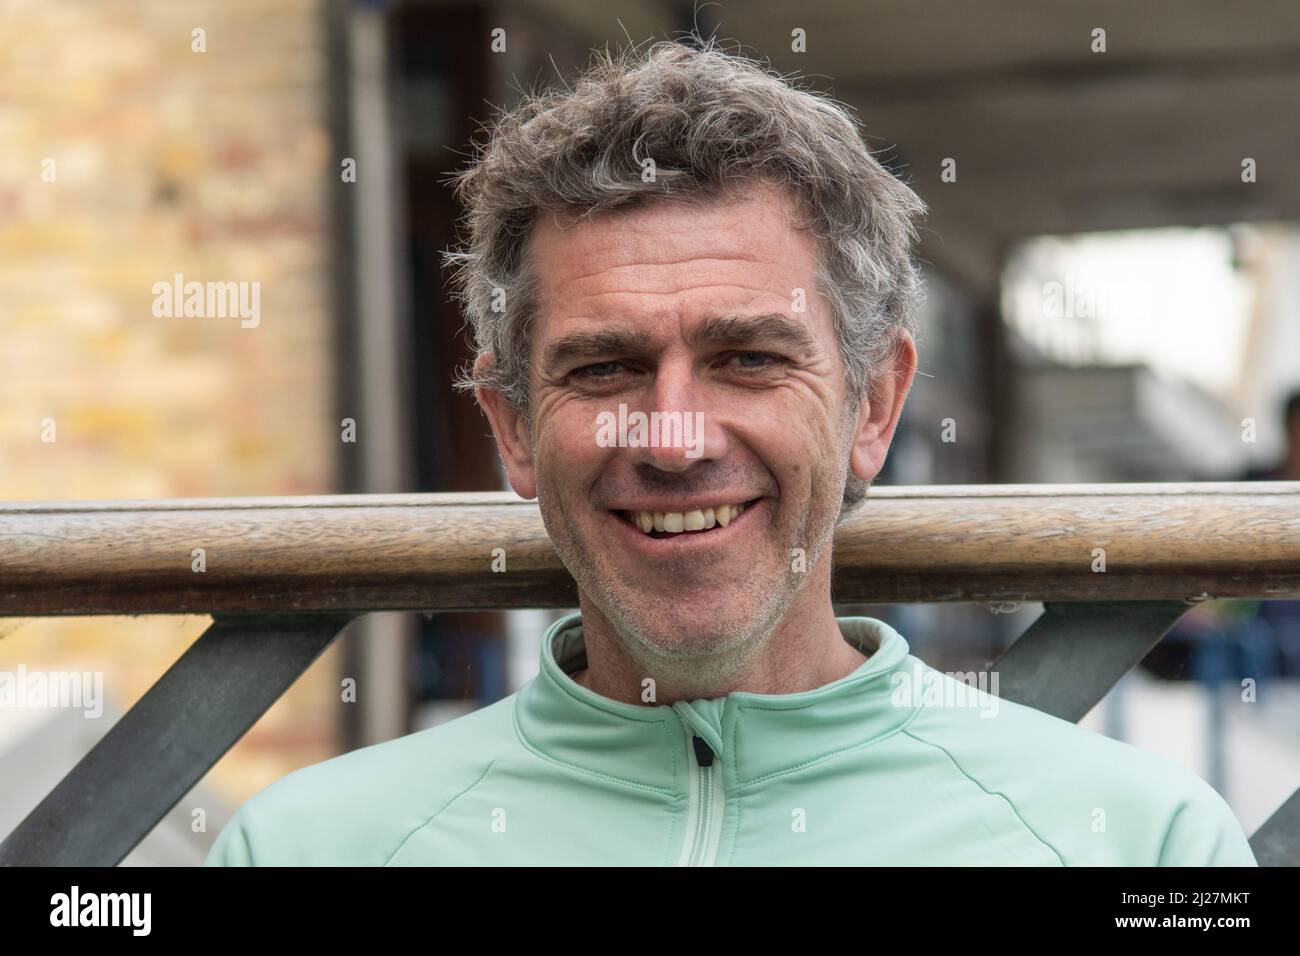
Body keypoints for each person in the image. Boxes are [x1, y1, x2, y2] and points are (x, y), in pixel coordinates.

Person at [206, 39, 1255, 865]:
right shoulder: (306, 847)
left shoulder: (1139, 842)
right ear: (513, 424)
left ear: (873, 405)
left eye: (747, 358)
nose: (673, 437)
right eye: (606, 367)